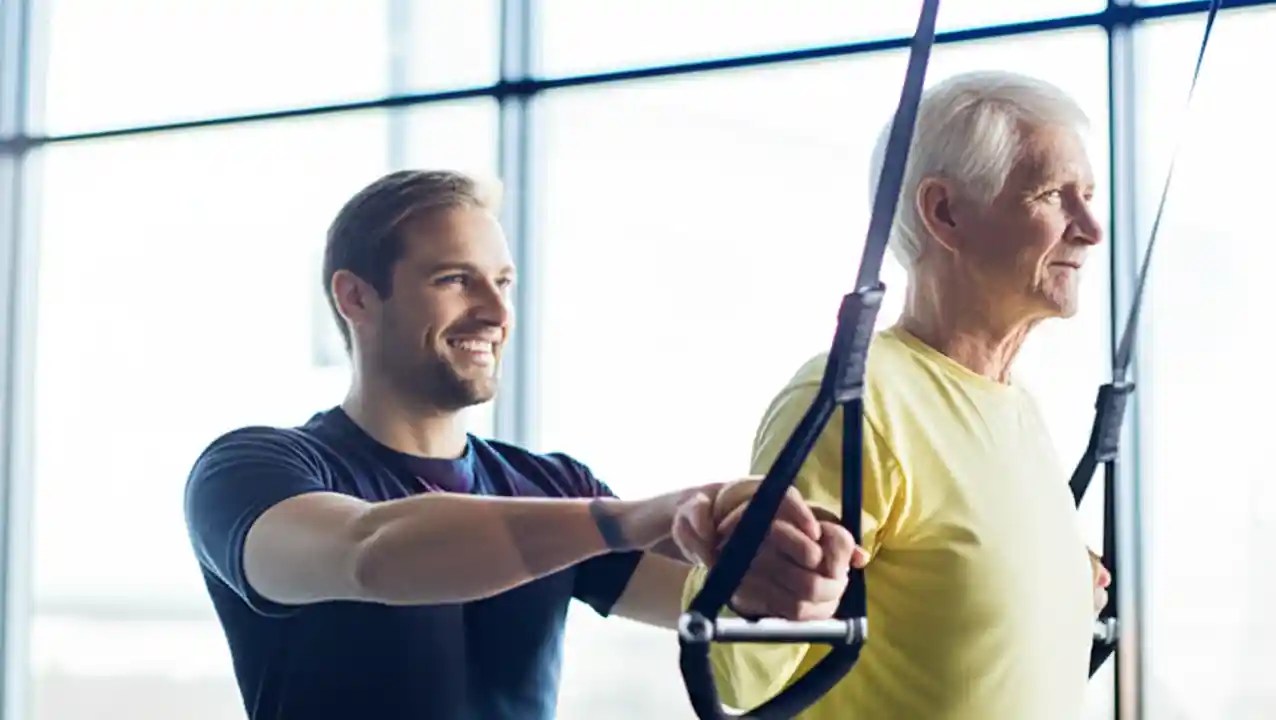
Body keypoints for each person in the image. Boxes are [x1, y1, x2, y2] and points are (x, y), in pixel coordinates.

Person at [182, 169, 861, 720]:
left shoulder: (550, 488)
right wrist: (625, 518)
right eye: (454, 279)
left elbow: (714, 608)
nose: (497, 313)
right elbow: (370, 553)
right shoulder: (253, 471)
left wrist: (778, 566)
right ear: (356, 297)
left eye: (502, 282)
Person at [679, 70, 1114, 720]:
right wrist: (755, 592)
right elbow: (736, 677)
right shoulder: (862, 401)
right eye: (1054, 195)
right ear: (944, 212)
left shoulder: (1016, 406)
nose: (1090, 228)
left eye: (1089, 195)